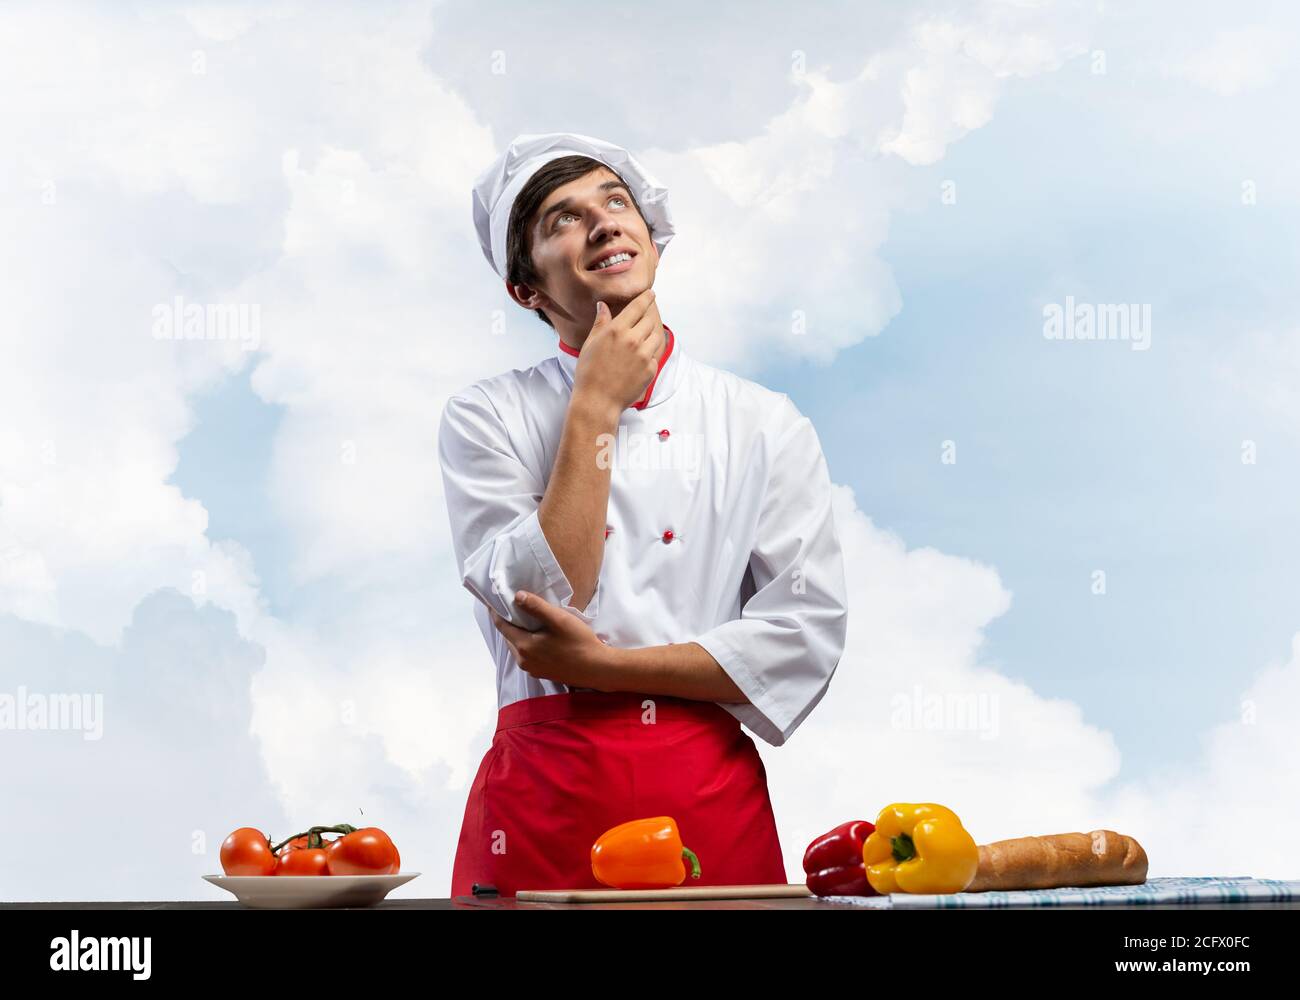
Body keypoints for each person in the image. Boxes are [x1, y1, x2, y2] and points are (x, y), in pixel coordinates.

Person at [439, 132, 848, 897]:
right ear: (526, 290)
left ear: (649, 235)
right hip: (542, 800)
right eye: (561, 219)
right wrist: (594, 403)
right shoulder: (485, 416)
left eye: (615, 201)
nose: (601, 224)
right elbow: (543, 600)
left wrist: (602, 669)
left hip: (705, 798)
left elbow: (803, 634)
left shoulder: (762, 422)